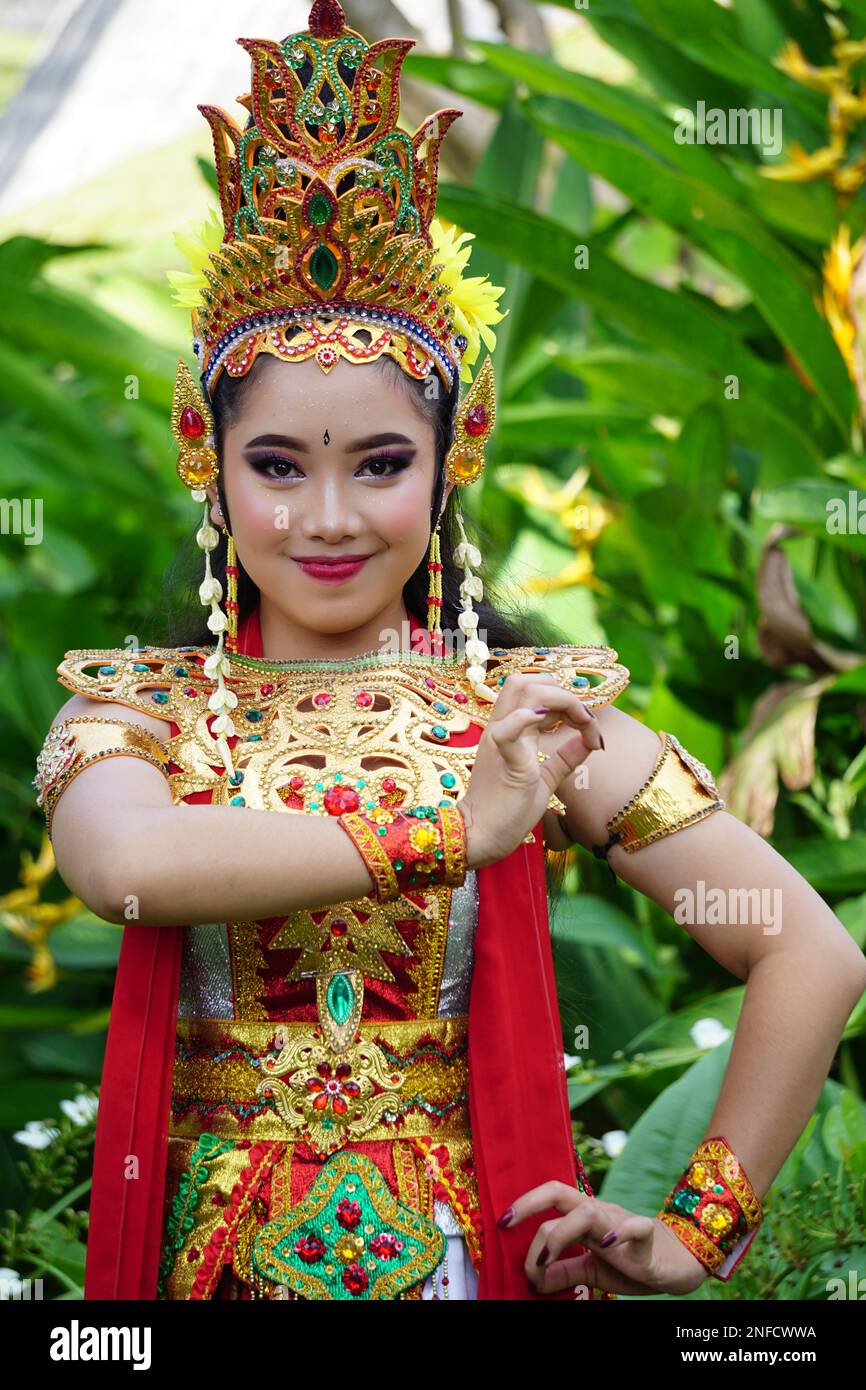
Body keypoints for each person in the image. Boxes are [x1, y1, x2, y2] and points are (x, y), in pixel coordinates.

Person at [34, 0, 866, 1302]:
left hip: (462, 1267)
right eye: (274, 464)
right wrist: (447, 831)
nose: (324, 516)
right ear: (209, 459)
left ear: (450, 454)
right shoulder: (142, 711)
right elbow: (126, 864)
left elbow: (803, 947)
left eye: (377, 463)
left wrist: (694, 1228)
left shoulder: (529, 720)